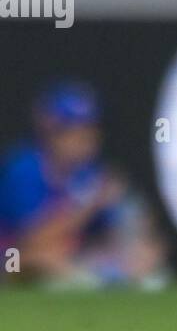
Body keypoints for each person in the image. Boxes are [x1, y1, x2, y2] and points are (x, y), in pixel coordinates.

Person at [0, 81, 167, 288]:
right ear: (50, 132)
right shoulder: (24, 169)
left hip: (74, 255)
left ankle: (95, 278)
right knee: (39, 258)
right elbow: (30, 241)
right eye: (73, 131)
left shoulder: (92, 172)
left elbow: (131, 229)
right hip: (13, 258)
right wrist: (88, 206)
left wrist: (134, 226)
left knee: (141, 252)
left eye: (90, 129)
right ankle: (91, 279)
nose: (86, 139)